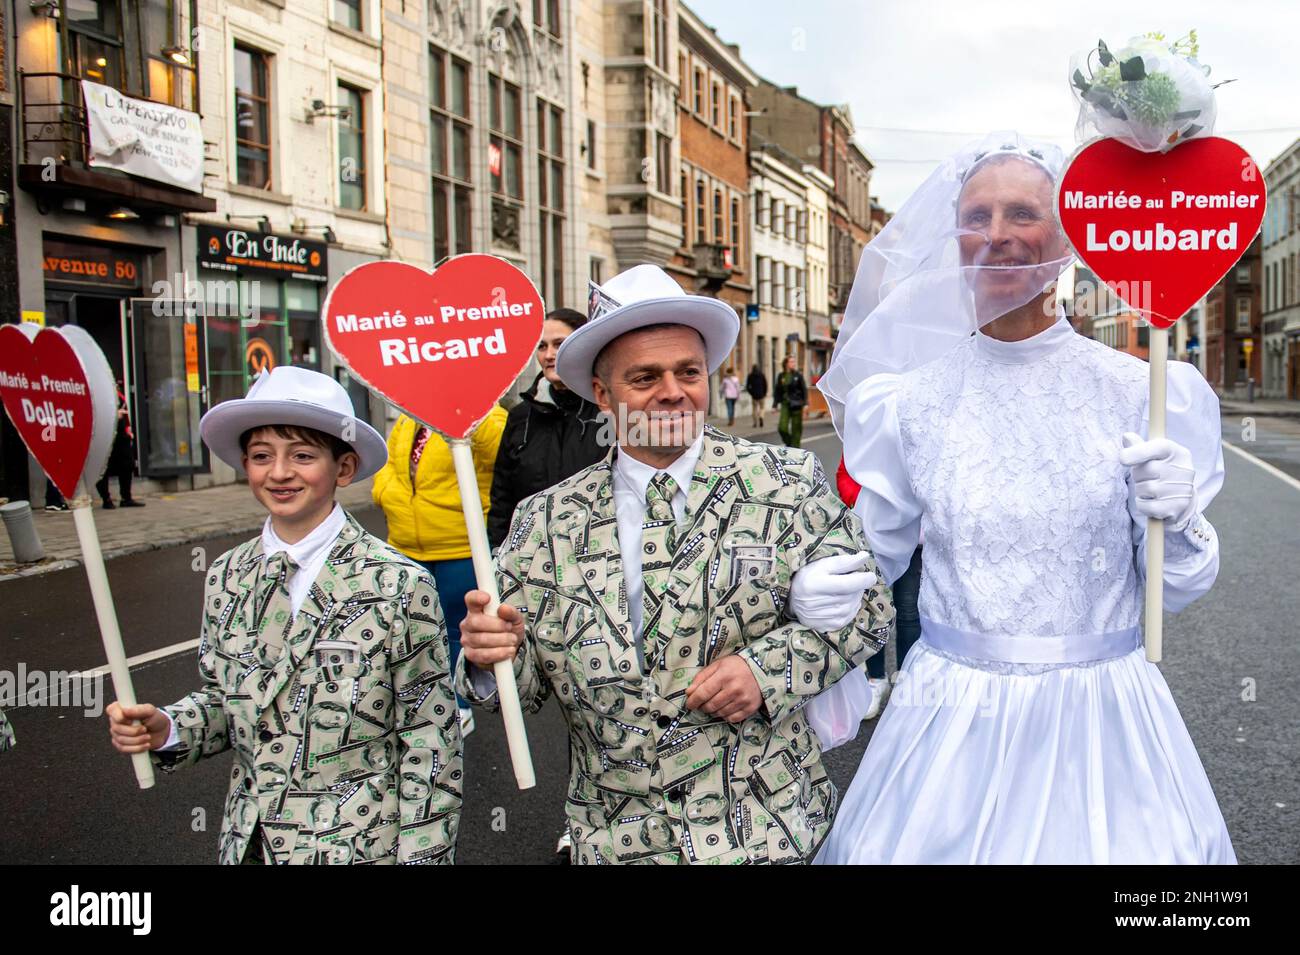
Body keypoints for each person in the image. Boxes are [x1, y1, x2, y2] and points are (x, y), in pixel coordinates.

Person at [815, 133, 1234, 864]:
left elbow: (1180, 586)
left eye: (1020, 214)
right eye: (976, 216)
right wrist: (822, 588)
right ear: (954, 236)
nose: (997, 235)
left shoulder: (1144, 394)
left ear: (1068, 235)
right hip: (948, 722)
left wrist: (1176, 515)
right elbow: (872, 560)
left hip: (1100, 721)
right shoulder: (909, 401)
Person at [456, 263, 894, 864]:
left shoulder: (785, 484)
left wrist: (766, 672)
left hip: (766, 830)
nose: (672, 390)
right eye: (645, 376)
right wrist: (491, 657)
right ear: (604, 395)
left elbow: (870, 609)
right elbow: (522, 683)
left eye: (688, 371)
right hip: (613, 839)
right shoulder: (546, 522)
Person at [105, 366, 462, 864]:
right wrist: (168, 728)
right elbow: (227, 702)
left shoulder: (398, 583)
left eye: (302, 455)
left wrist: (424, 857)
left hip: (359, 848)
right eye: (261, 457)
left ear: (342, 468)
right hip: (250, 844)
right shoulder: (228, 574)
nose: (279, 473)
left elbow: (430, 740)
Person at [372, 406, 507, 738]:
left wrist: (473, 404)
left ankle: (458, 705)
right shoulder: (408, 418)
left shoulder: (487, 416)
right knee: (411, 634)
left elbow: (500, 457)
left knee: (455, 631)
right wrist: (384, 493)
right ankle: (417, 703)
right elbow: (390, 465)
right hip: (406, 545)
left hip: (457, 546)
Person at [487, 307, 606, 550]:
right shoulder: (521, 417)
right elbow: (503, 498)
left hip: (597, 555)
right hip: (533, 558)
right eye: (542, 346)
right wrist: (497, 555)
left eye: (559, 344)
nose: (549, 354)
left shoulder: (609, 411)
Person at [96, 380, 144, 509]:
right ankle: (106, 499)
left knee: (127, 464)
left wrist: (128, 429)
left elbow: (125, 412)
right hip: (106, 435)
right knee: (104, 468)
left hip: (122, 435)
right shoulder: (99, 395)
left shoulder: (117, 394)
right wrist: (114, 415)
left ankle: (126, 498)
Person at [773, 356, 807, 448]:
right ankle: (789, 443)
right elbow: (777, 391)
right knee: (782, 428)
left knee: (796, 429)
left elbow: (804, 389)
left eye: (794, 362)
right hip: (785, 404)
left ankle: (796, 448)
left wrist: (805, 405)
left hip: (797, 404)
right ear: (786, 364)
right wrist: (775, 405)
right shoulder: (781, 376)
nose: (793, 364)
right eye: (791, 362)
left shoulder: (797, 375)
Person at [746, 364, 768, 428]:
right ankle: (761, 417)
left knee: (754, 409)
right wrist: (764, 393)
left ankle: (755, 423)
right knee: (762, 408)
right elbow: (765, 385)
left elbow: (748, 386)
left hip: (754, 396)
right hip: (761, 395)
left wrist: (751, 393)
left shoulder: (750, 376)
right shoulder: (762, 375)